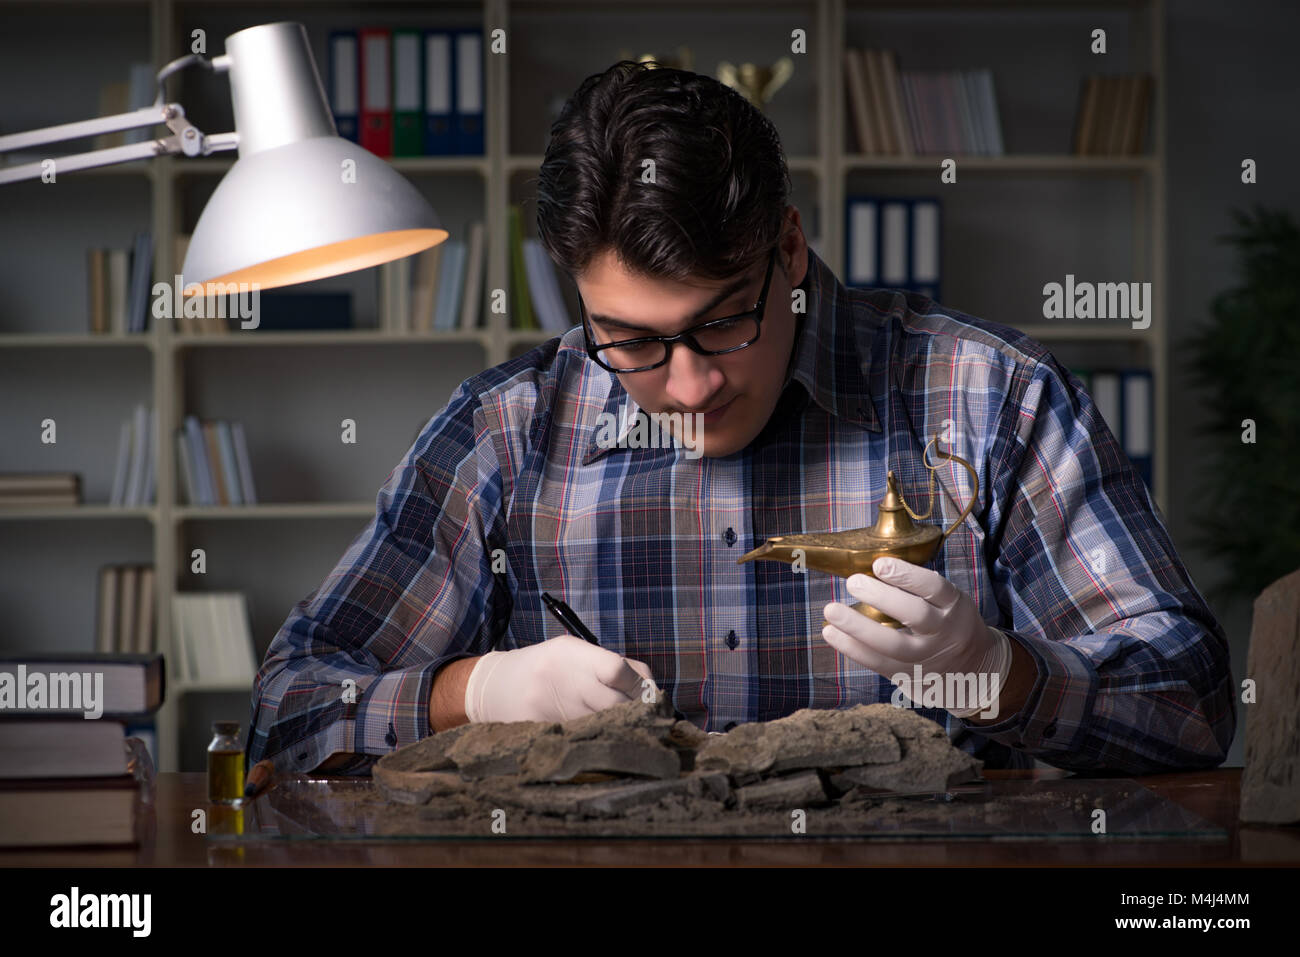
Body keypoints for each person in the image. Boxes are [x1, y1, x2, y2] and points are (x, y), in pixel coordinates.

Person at [246, 60, 1234, 777]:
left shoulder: (988, 398)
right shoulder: (509, 432)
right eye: (627, 340)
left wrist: (1004, 676)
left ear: (789, 251)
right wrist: (474, 692)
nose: (685, 388)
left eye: (720, 324)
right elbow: (287, 715)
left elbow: (1191, 709)